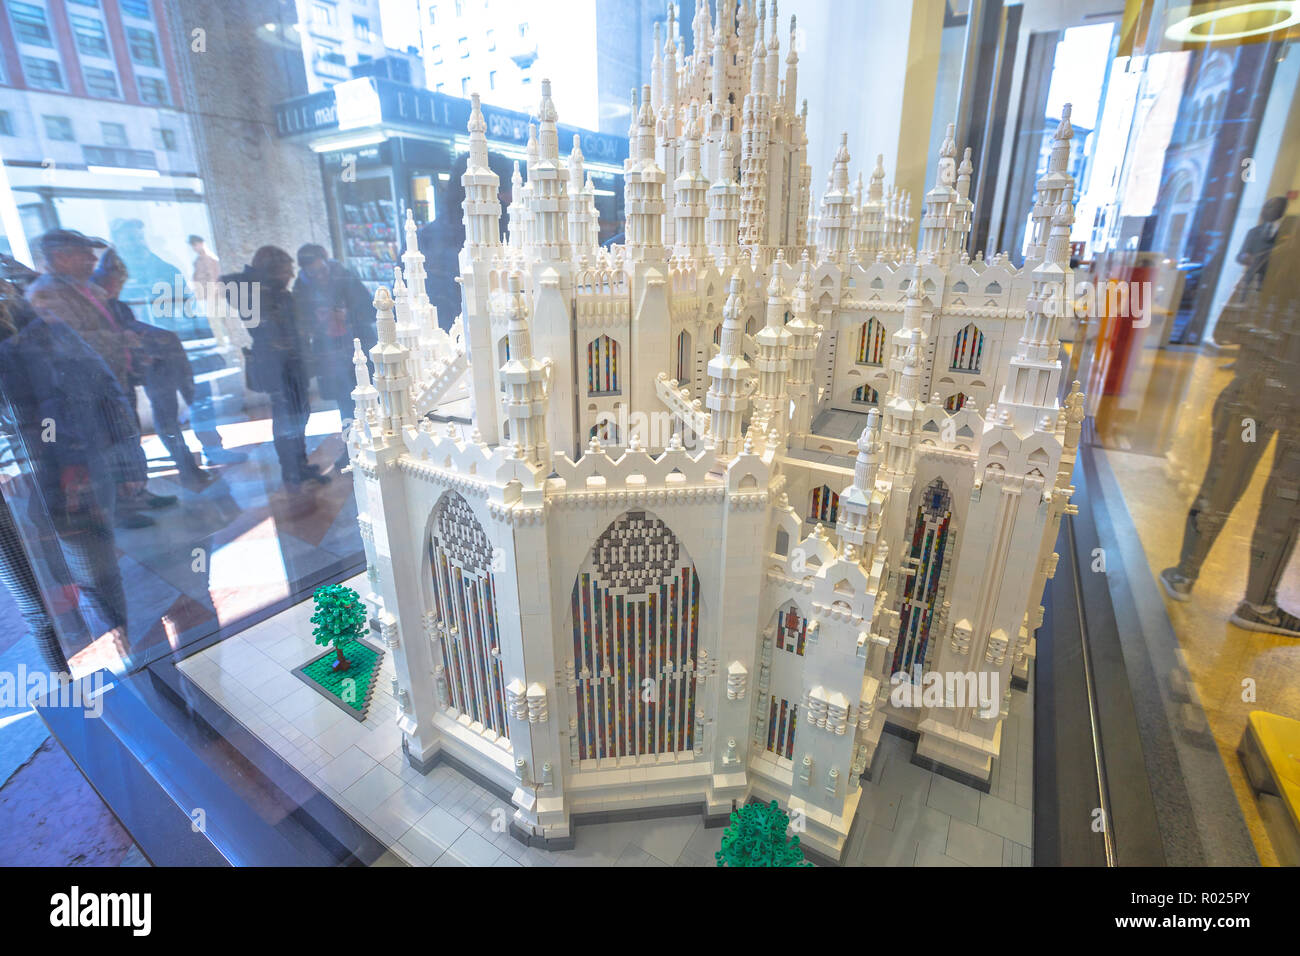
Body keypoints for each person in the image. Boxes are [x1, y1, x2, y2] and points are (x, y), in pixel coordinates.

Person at [1161, 201, 1300, 638]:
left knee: (1221, 483)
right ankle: (1258, 603)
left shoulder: (1274, 256)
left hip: (1253, 390)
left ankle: (1185, 574)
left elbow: (1225, 329)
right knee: (1287, 502)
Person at [0, 274, 145, 664]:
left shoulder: (43, 328)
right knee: (40, 608)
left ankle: (129, 671)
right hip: (19, 492)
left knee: (98, 581)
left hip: (68, 478)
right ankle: (76, 697)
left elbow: (104, 390)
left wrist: (127, 462)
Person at [26, 229, 175, 528]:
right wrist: (122, 340)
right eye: (84, 253)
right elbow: (72, 342)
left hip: (112, 381)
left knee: (125, 440)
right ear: (61, 256)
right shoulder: (48, 294)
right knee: (105, 448)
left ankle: (135, 492)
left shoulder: (85, 289)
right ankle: (119, 508)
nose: (93, 259)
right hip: (86, 389)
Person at [93, 250, 215, 491]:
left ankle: (186, 467)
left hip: (147, 368)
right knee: (129, 434)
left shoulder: (118, 306)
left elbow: (133, 329)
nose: (117, 287)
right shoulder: (94, 307)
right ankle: (135, 490)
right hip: (113, 378)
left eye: (119, 282)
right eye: (114, 282)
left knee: (164, 417)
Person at [226, 246, 328, 492]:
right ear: (271, 271)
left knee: (299, 416)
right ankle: (291, 470)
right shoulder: (253, 294)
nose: (291, 275)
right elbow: (267, 329)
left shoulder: (277, 293)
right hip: (278, 366)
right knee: (287, 419)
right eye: (285, 270)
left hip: (293, 365)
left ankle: (299, 464)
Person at [292, 243, 377, 431]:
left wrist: (347, 315)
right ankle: (352, 445)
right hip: (331, 355)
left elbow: (370, 310)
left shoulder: (344, 276)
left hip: (358, 347)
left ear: (326, 262)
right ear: (305, 271)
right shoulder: (300, 289)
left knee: (373, 399)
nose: (321, 277)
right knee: (345, 404)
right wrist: (317, 321)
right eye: (314, 274)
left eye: (323, 270)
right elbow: (299, 326)